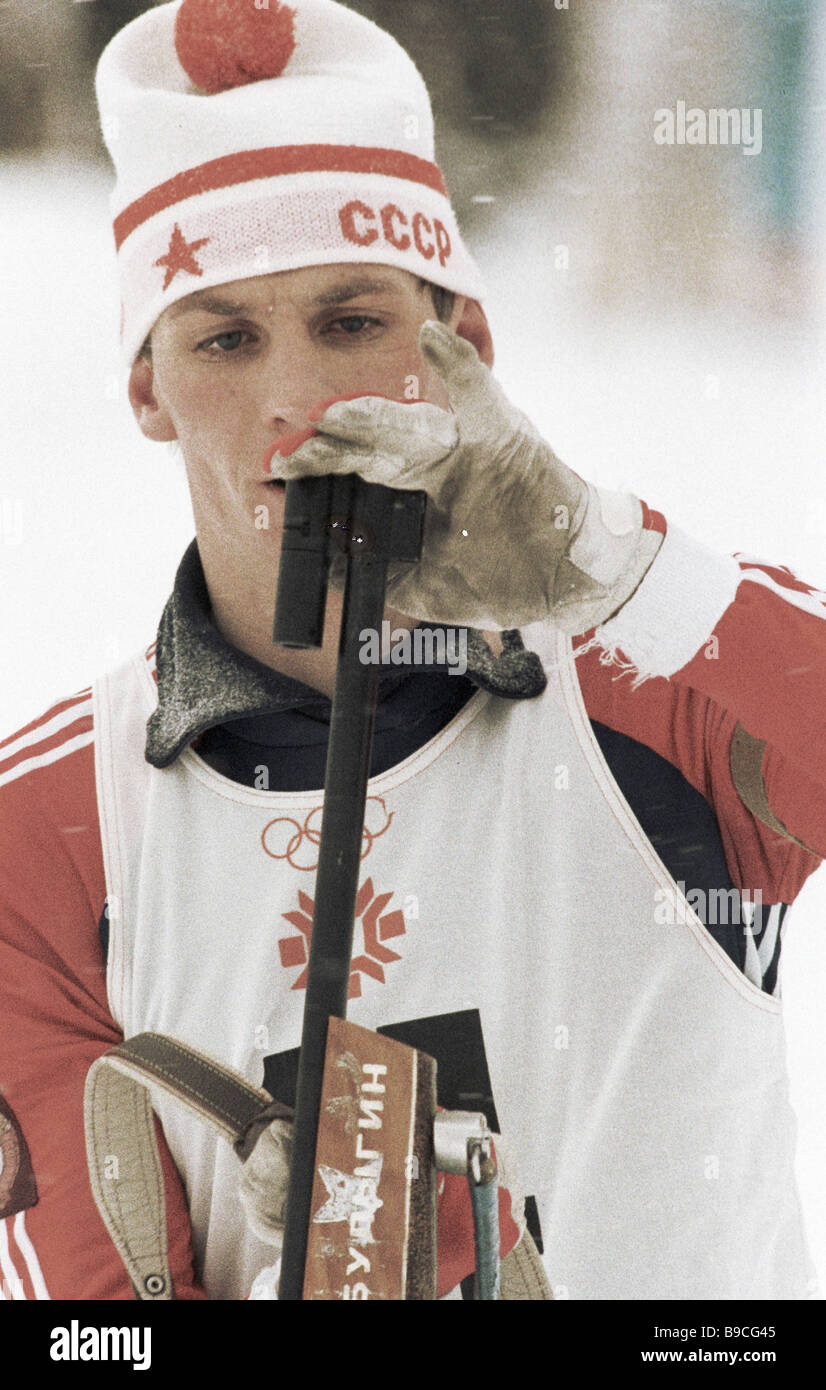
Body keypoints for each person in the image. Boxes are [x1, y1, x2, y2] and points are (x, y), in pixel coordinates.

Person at [1, 0, 824, 1303]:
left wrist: (615, 565)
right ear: (147, 384)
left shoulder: (662, 678)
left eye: (349, 321)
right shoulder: (40, 830)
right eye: (223, 336)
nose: (293, 399)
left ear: (464, 345)